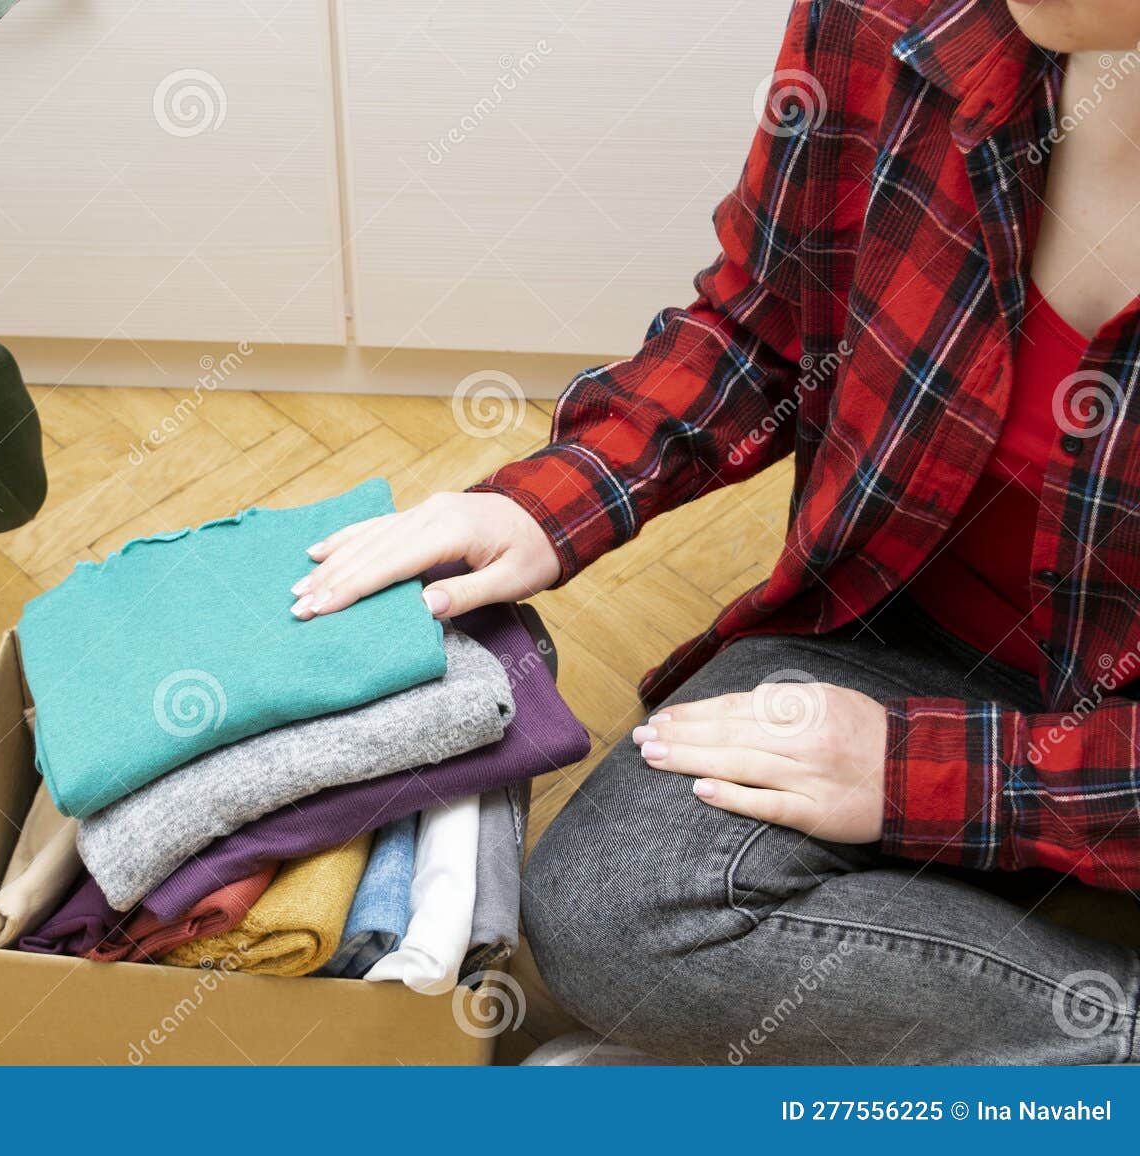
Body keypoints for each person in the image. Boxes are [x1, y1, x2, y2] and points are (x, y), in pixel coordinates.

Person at [292, 0, 1140, 1063]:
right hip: (900, 640)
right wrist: (559, 493)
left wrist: (926, 778)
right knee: (611, 908)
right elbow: (765, 316)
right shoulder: (892, 18)